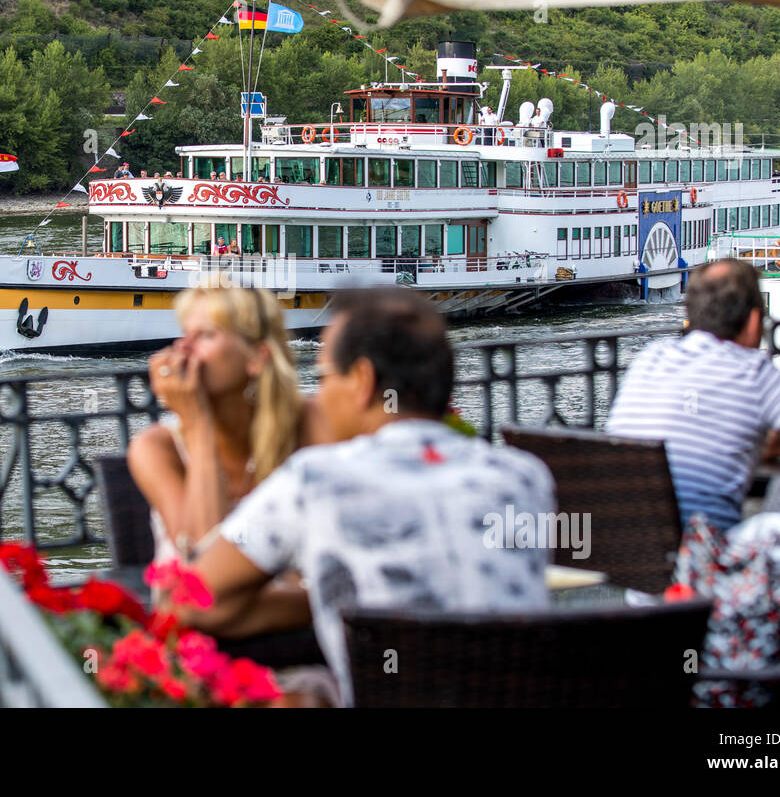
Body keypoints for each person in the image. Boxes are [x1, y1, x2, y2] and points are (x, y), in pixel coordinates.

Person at [166, 288, 556, 706]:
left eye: (324, 377)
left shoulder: (314, 479)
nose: (318, 396)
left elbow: (189, 597)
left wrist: (327, 599)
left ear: (363, 381)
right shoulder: (524, 476)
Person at [608, 258, 780, 531]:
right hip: (703, 559)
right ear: (755, 321)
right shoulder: (753, 372)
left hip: (620, 544)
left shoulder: (650, 358)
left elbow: (703, 436)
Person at [128, 283, 324, 566]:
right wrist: (197, 423)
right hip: (203, 605)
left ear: (257, 357)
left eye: (206, 335)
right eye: (186, 333)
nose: (183, 347)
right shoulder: (156, 447)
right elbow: (205, 561)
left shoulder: (311, 421)